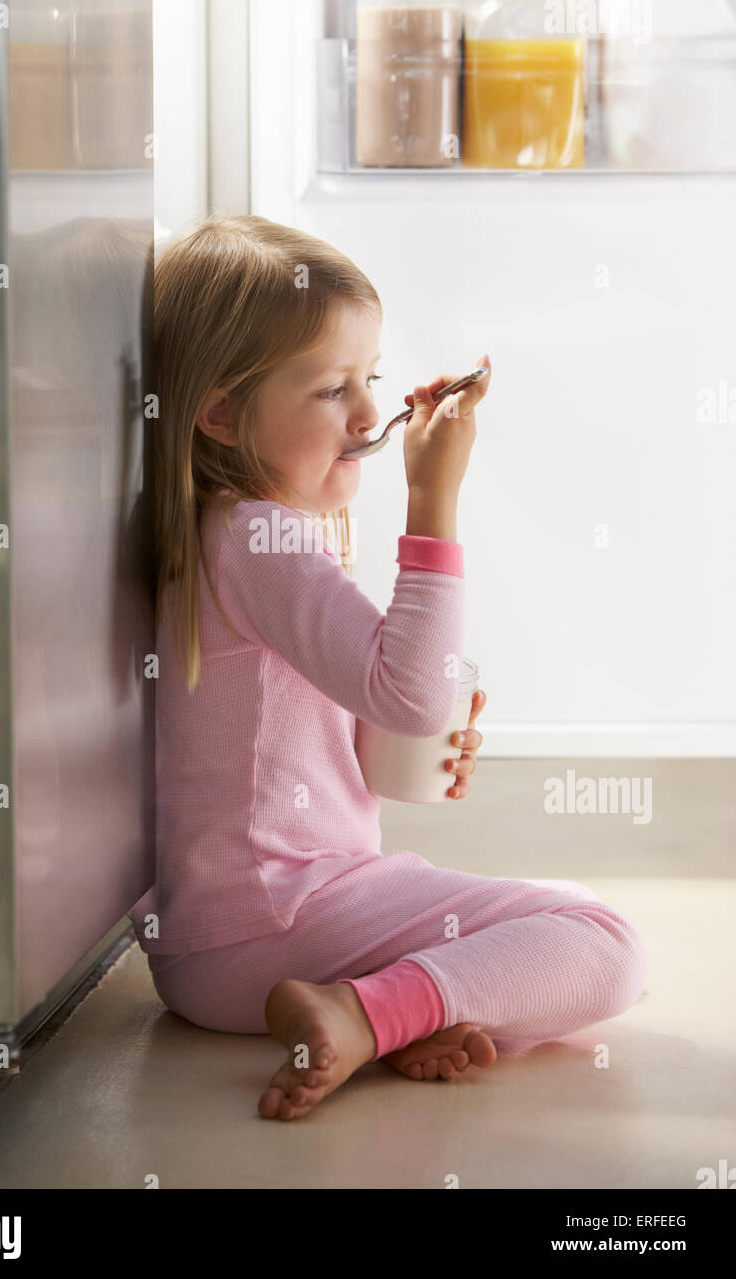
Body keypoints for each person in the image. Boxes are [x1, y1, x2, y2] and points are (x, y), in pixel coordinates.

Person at [128, 213, 647, 1122]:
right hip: (280, 919)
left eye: (369, 379)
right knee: (601, 938)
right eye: (333, 389)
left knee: (531, 954)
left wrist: (403, 729)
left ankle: (394, 1012)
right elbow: (409, 698)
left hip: (210, 950)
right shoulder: (263, 534)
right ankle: (365, 1014)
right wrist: (432, 495)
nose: (372, 415)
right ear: (218, 411)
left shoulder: (227, 534)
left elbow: (355, 733)